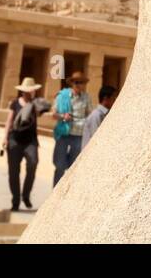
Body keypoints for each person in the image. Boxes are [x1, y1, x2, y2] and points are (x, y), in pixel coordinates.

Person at [5, 77, 50, 212]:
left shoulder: (35, 104)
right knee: (13, 171)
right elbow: (9, 120)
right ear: (22, 91)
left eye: (31, 91)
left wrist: (34, 102)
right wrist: (5, 138)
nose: (29, 93)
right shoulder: (14, 104)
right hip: (14, 140)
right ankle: (15, 200)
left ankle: (26, 195)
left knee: (33, 164)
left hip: (30, 141)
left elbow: (45, 109)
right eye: (28, 91)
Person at [51, 71, 90, 186]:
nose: (78, 84)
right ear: (72, 83)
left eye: (81, 82)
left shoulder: (87, 98)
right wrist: (63, 116)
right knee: (59, 165)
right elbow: (53, 114)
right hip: (63, 134)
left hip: (78, 135)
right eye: (76, 82)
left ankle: (68, 192)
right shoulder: (62, 96)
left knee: (74, 166)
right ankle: (55, 191)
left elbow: (89, 115)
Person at [80, 84, 118, 151]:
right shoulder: (96, 115)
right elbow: (96, 139)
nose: (115, 101)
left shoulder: (105, 114)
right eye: (114, 98)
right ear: (105, 98)